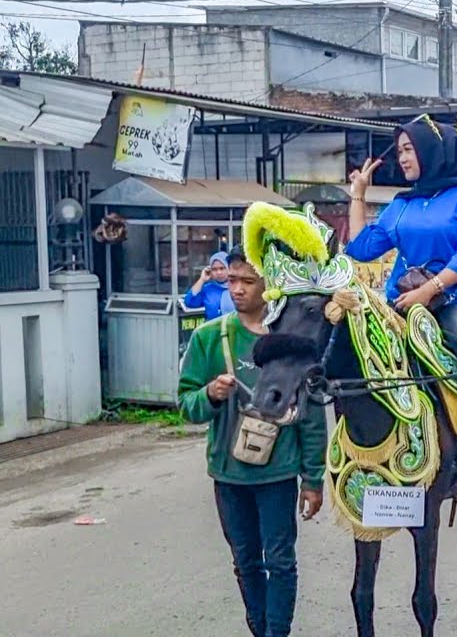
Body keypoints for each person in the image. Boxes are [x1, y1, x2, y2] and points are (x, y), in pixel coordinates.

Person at [177, 248, 326, 637]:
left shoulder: (292, 341)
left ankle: (277, 633)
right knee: (245, 560)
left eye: (248, 282)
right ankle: (260, 629)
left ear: (270, 286)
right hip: (228, 473)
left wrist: (313, 479)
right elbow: (186, 404)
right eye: (232, 281)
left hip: (277, 474)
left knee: (280, 561)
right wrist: (210, 393)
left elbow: (310, 418)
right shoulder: (209, 338)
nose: (238, 290)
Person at [344, 118, 457, 468]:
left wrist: (429, 291)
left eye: (409, 149)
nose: (402, 158)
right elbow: (361, 248)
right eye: (399, 151)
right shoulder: (403, 204)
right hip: (400, 301)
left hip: (454, 300)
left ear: (433, 151)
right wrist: (359, 196)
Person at [184, 251, 234, 320]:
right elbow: (190, 302)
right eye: (214, 269)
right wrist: (202, 279)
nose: (219, 272)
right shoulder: (208, 289)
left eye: (222, 268)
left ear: (229, 268)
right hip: (213, 329)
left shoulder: (237, 287)